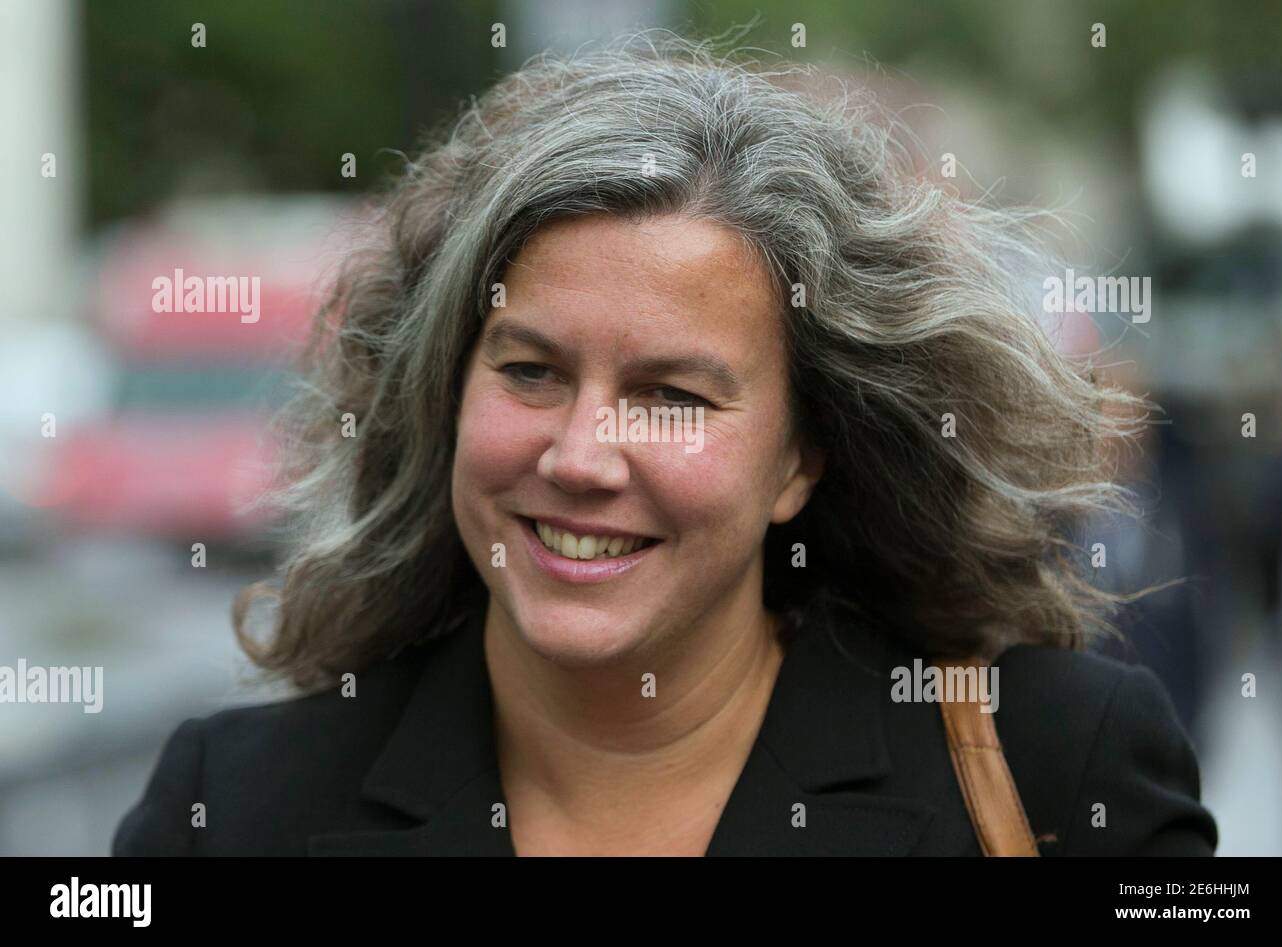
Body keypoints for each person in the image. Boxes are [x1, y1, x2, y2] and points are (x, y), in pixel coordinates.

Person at [112, 31, 1217, 857]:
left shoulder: (1060, 768)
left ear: (802, 456)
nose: (584, 454)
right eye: (530, 371)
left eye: (674, 393)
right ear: (443, 392)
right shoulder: (234, 806)